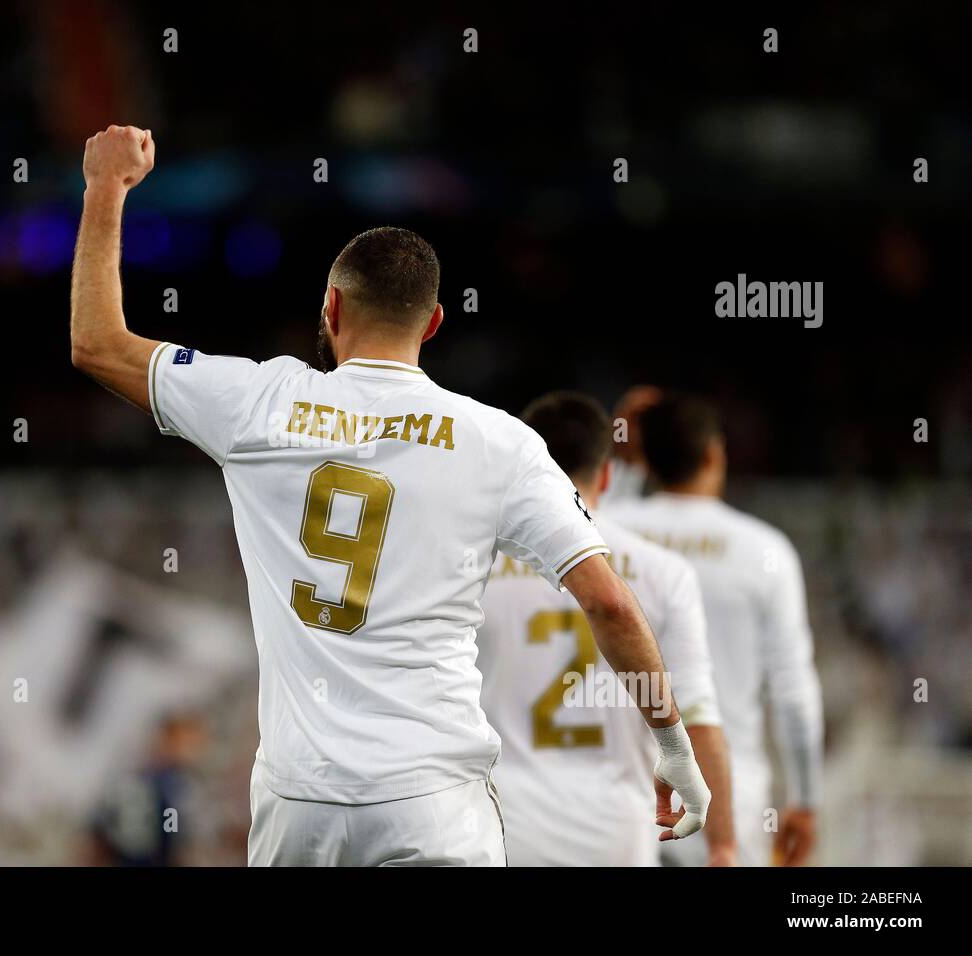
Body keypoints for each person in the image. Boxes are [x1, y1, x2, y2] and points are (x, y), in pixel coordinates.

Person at [69, 124, 709, 866]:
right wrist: (671, 746)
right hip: (428, 802)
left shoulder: (259, 401)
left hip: (298, 803)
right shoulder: (497, 442)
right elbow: (610, 603)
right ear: (433, 323)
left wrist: (105, 188)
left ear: (332, 311)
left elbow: (97, 342)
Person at [477, 391, 735, 865]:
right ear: (608, 472)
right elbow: (698, 716)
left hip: (504, 828)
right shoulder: (664, 571)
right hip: (619, 832)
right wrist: (722, 846)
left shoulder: (477, 565)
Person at [608, 393, 824, 866]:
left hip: (620, 785)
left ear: (644, 457)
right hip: (730, 790)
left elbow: (586, 513)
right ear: (713, 454)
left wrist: (624, 466)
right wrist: (805, 799)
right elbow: (794, 694)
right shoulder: (765, 551)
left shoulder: (606, 537)